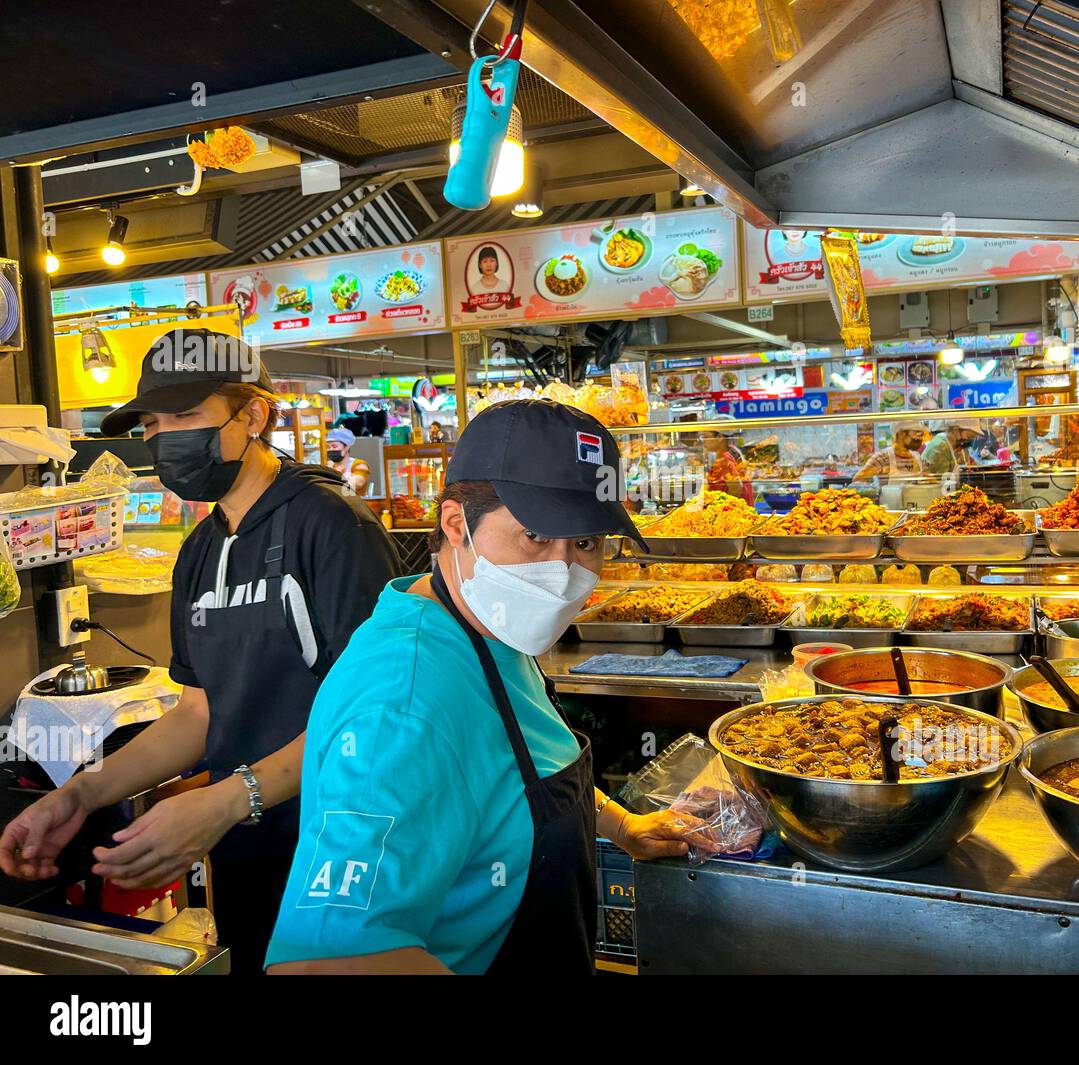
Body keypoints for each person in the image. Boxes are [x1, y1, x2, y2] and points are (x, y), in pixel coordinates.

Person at [0, 328, 400, 974]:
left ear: (254, 414)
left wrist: (225, 798)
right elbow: (197, 713)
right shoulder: (199, 552)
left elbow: (373, 720)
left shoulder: (333, 528)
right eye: (154, 422)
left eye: (186, 415)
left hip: (348, 857)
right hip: (245, 856)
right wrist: (82, 794)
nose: (165, 437)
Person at [265, 400, 712, 974]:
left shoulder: (485, 627)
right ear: (457, 525)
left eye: (587, 543)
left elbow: (509, 768)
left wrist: (623, 826)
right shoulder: (401, 704)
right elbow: (326, 964)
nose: (563, 571)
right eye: (535, 535)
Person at [853, 425, 924, 486]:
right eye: (916, 433)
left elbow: (928, 480)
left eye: (921, 434)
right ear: (901, 434)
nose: (919, 438)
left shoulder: (917, 458)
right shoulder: (882, 457)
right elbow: (857, 481)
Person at [702, 430, 755, 504]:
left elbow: (736, 490)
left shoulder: (727, 458)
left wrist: (718, 507)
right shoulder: (727, 453)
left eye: (705, 437)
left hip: (734, 512)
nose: (703, 441)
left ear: (720, 437)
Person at [326, 426, 370, 495]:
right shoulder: (329, 467)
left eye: (334, 446)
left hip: (355, 504)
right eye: (328, 447)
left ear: (346, 447)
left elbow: (356, 483)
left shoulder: (359, 465)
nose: (330, 449)